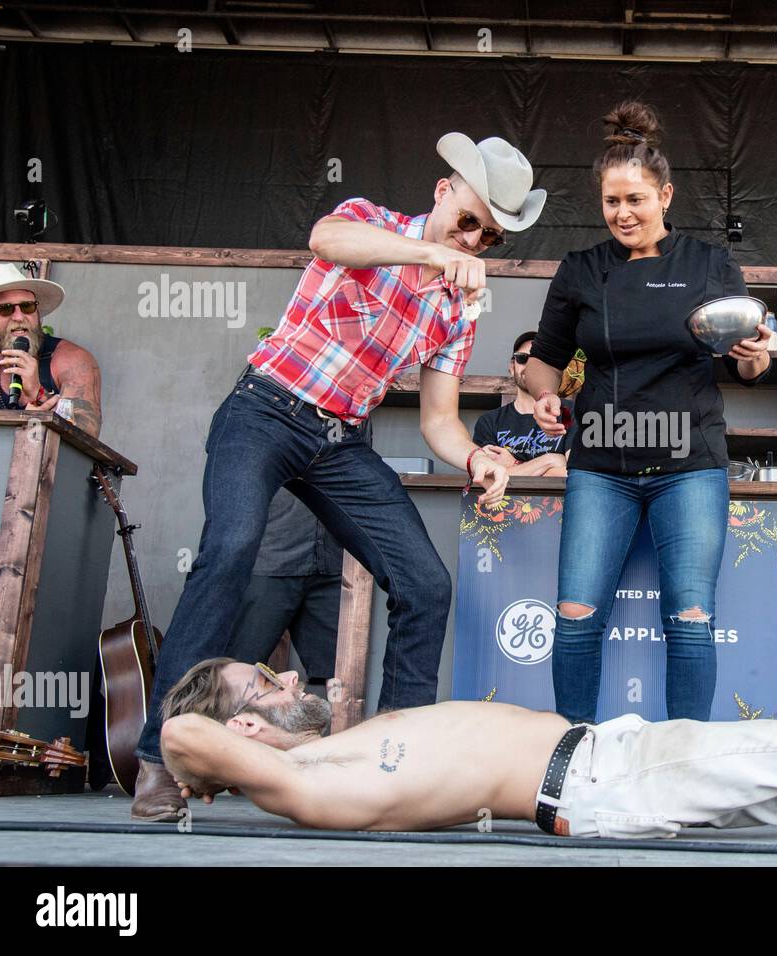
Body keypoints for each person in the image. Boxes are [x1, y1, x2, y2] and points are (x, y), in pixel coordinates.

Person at [130, 133, 545, 822]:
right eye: (468, 221)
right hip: (264, 409)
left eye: (489, 238)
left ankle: (396, 762)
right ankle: (158, 756)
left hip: (337, 442)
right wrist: (433, 252)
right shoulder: (372, 222)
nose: (473, 241)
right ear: (442, 193)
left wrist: (478, 457)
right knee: (230, 550)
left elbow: (439, 421)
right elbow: (328, 240)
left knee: (426, 583)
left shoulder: (454, 310)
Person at [159, 656, 777, 849]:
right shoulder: (302, 784)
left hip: (604, 764)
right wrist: (183, 746)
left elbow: (245, 738)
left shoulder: (321, 753)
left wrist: (269, 726)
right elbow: (181, 732)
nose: (286, 677)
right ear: (242, 730)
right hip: (595, 777)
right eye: (264, 679)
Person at [521, 101, 774, 724]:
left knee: (690, 618)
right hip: (600, 465)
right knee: (576, 616)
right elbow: (543, 360)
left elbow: (749, 362)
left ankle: (681, 766)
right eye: (612, 202)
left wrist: (757, 350)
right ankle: (571, 756)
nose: (623, 214)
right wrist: (545, 393)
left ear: (666, 195)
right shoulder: (580, 270)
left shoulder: (709, 265)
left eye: (635, 200)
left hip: (689, 464)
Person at [225, 486, 344, 695]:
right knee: (238, 671)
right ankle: (223, 727)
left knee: (340, 678)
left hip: (331, 559)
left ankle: (334, 728)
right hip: (270, 558)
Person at [0, 262, 103, 435]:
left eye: (27, 306)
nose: (19, 317)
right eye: (5, 309)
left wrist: (39, 394)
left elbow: (89, 432)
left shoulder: (72, 359)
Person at [472, 330, 572, 477]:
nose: (530, 367)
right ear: (512, 367)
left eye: (540, 361)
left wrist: (512, 467)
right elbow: (488, 477)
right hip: (505, 501)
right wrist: (550, 460)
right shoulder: (490, 422)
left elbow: (575, 475)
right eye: (523, 358)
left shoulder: (571, 413)